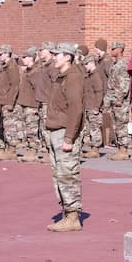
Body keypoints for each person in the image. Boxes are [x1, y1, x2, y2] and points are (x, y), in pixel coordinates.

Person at [45, 43, 85, 231]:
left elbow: (75, 109)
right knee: (59, 174)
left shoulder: (73, 77)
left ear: (68, 57)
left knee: (67, 174)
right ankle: (66, 212)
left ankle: (72, 216)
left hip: (64, 132)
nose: (54, 57)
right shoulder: (61, 77)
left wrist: (69, 138)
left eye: (57, 54)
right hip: (55, 131)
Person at [105, 41, 132, 160]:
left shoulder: (123, 64)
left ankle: (123, 150)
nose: (111, 51)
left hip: (120, 100)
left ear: (120, 49)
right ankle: (119, 148)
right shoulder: (115, 64)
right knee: (116, 125)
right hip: (113, 98)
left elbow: (124, 83)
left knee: (121, 124)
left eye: (113, 49)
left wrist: (119, 98)